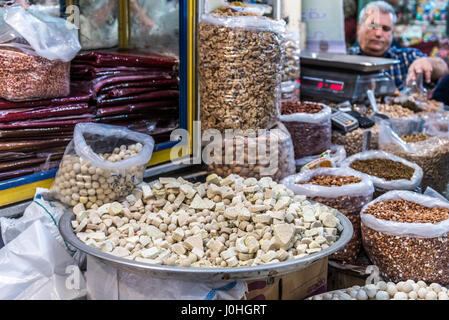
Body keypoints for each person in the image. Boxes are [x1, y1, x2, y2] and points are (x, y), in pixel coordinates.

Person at [348, 1, 449, 90]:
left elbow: (442, 66)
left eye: (386, 29)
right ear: (359, 28)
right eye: (373, 26)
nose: (378, 33)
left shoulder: (406, 58)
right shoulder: (346, 59)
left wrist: (427, 62)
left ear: (392, 33)